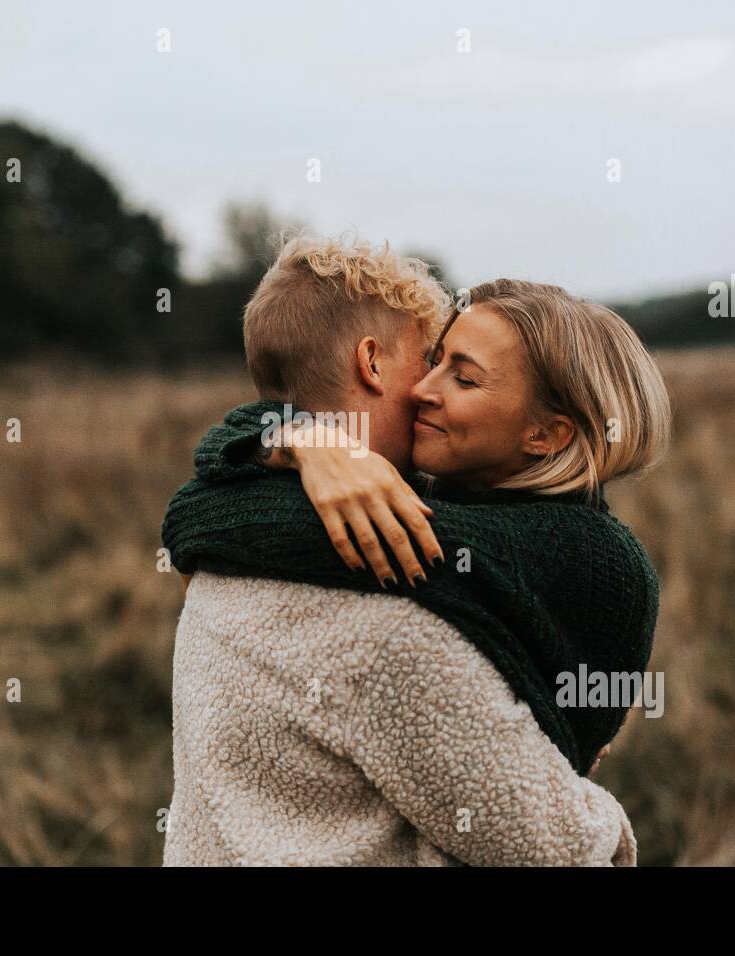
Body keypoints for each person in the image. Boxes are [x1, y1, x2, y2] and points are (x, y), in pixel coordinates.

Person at [161, 236, 668, 865]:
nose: (427, 387)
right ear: (371, 363)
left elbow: (192, 513)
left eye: (460, 373)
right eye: (430, 358)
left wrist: (295, 438)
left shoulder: (240, 551)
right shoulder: (392, 614)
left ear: (545, 433)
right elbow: (552, 848)